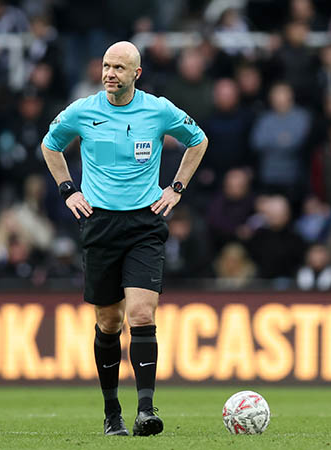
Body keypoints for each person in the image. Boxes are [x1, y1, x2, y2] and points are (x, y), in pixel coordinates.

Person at [41, 41, 208, 436]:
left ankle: (146, 411)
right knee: (109, 320)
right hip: (99, 224)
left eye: (119, 67)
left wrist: (177, 188)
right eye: (106, 65)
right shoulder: (82, 111)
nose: (110, 73)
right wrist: (68, 189)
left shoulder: (158, 109)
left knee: (142, 315)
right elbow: (50, 145)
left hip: (145, 223)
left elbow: (198, 140)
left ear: (137, 74)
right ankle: (112, 412)